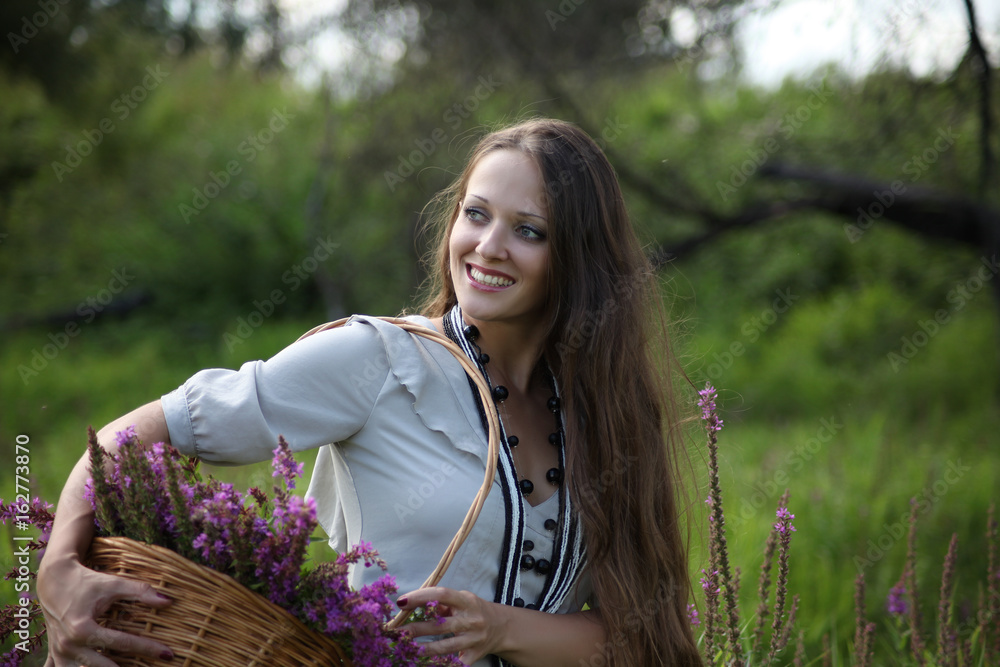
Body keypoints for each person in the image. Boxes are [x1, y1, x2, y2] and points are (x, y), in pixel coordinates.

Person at [37, 118, 703, 667]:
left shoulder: (605, 411)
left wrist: (498, 627)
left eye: (529, 230)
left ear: (578, 258)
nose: (489, 246)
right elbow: (139, 433)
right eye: (477, 215)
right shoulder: (379, 360)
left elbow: (642, 636)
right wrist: (57, 565)